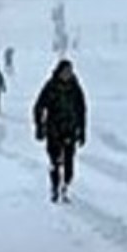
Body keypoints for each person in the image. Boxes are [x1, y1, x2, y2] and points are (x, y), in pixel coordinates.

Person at [32, 59, 87, 204]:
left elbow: (81, 110)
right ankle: (55, 188)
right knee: (55, 162)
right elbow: (38, 106)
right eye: (65, 71)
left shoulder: (75, 88)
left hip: (70, 130)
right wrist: (39, 126)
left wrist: (82, 131)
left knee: (69, 164)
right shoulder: (51, 86)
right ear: (59, 71)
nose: (67, 74)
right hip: (54, 131)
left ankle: (66, 187)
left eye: (69, 71)